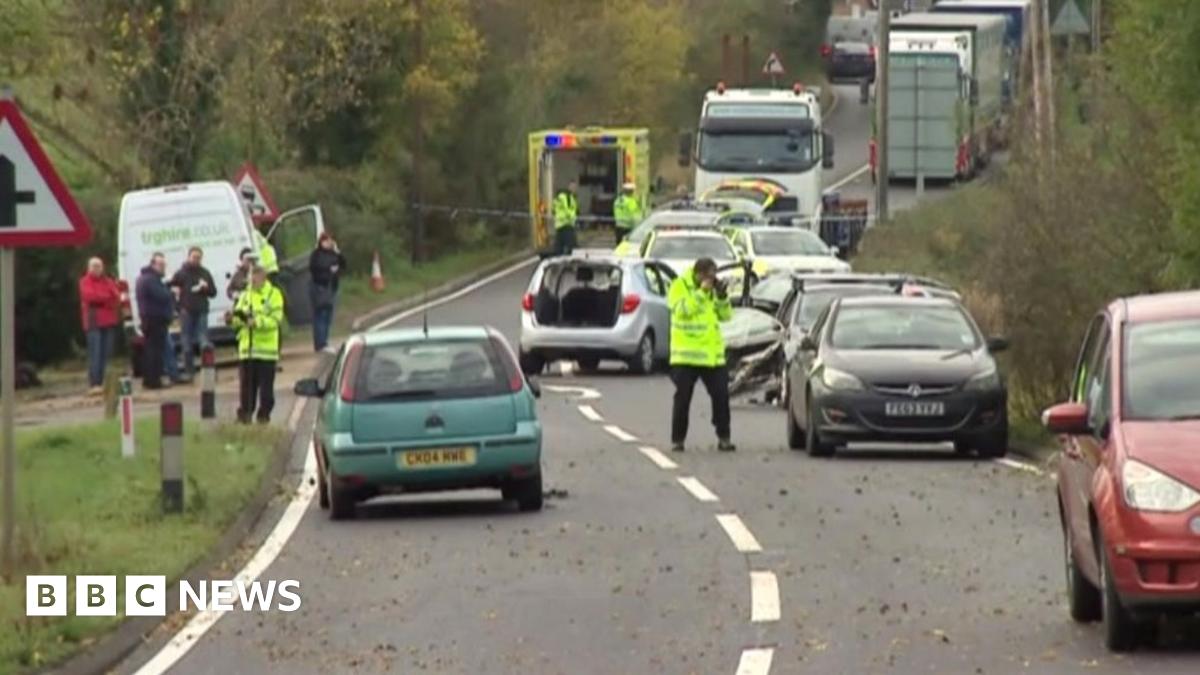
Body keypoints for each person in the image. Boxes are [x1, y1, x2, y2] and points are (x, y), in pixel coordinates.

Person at [667, 257, 735, 452]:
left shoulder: (712, 289)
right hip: (686, 355)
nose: (710, 281)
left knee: (721, 395)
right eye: (707, 277)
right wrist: (701, 292)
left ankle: (724, 437)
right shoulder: (679, 286)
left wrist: (722, 298)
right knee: (683, 398)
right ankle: (677, 440)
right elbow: (682, 311)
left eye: (713, 277)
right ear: (698, 274)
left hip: (711, 355)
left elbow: (725, 316)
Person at [228, 264, 283, 424]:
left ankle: (263, 416)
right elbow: (239, 318)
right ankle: (244, 416)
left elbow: (275, 320)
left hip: (266, 351)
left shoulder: (274, 294)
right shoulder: (245, 295)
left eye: (256, 277)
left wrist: (257, 322)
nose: (252, 280)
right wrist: (233, 319)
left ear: (263, 277)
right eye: (251, 276)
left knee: (266, 390)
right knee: (246, 388)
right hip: (247, 349)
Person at [170, 247, 217, 377]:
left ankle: (207, 369)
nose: (196, 259)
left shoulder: (205, 273)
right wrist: (177, 307)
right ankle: (189, 370)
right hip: (186, 311)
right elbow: (171, 290)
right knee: (186, 341)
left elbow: (213, 292)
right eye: (194, 257)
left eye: (199, 257)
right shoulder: (180, 273)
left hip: (202, 309)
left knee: (203, 339)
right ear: (188, 257)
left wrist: (206, 288)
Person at [78, 257, 121, 395]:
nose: (97, 269)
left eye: (99, 266)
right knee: (95, 353)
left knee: (107, 353)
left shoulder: (108, 281)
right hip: (93, 321)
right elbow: (90, 297)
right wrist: (105, 299)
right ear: (89, 268)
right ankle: (95, 383)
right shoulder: (84, 281)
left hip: (108, 321)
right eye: (94, 266)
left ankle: (105, 382)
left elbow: (116, 296)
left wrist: (103, 300)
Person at [135, 253, 174, 390]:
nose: (163, 268)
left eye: (164, 265)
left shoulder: (148, 278)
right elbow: (161, 296)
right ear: (153, 265)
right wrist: (172, 291)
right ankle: (153, 380)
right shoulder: (150, 279)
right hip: (154, 319)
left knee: (151, 350)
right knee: (154, 351)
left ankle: (150, 379)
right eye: (161, 265)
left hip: (151, 318)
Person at [308, 232, 346, 353]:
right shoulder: (316, 255)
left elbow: (343, 264)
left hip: (332, 287)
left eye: (330, 241)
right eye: (326, 241)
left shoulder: (334, 254)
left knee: (328, 316)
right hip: (320, 287)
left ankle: (324, 340)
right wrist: (329, 269)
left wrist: (338, 252)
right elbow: (315, 267)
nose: (328, 243)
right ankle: (320, 343)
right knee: (321, 315)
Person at [553, 181, 579, 256]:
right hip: (567, 224)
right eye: (573, 187)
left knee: (559, 248)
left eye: (575, 187)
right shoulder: (567, 197)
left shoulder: (560, 196)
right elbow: (568, 210)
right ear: (569, 187)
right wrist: (572, 217)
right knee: (572, 248)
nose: (574, 189)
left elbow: (554, 209)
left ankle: (558, 264)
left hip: (560, 225)